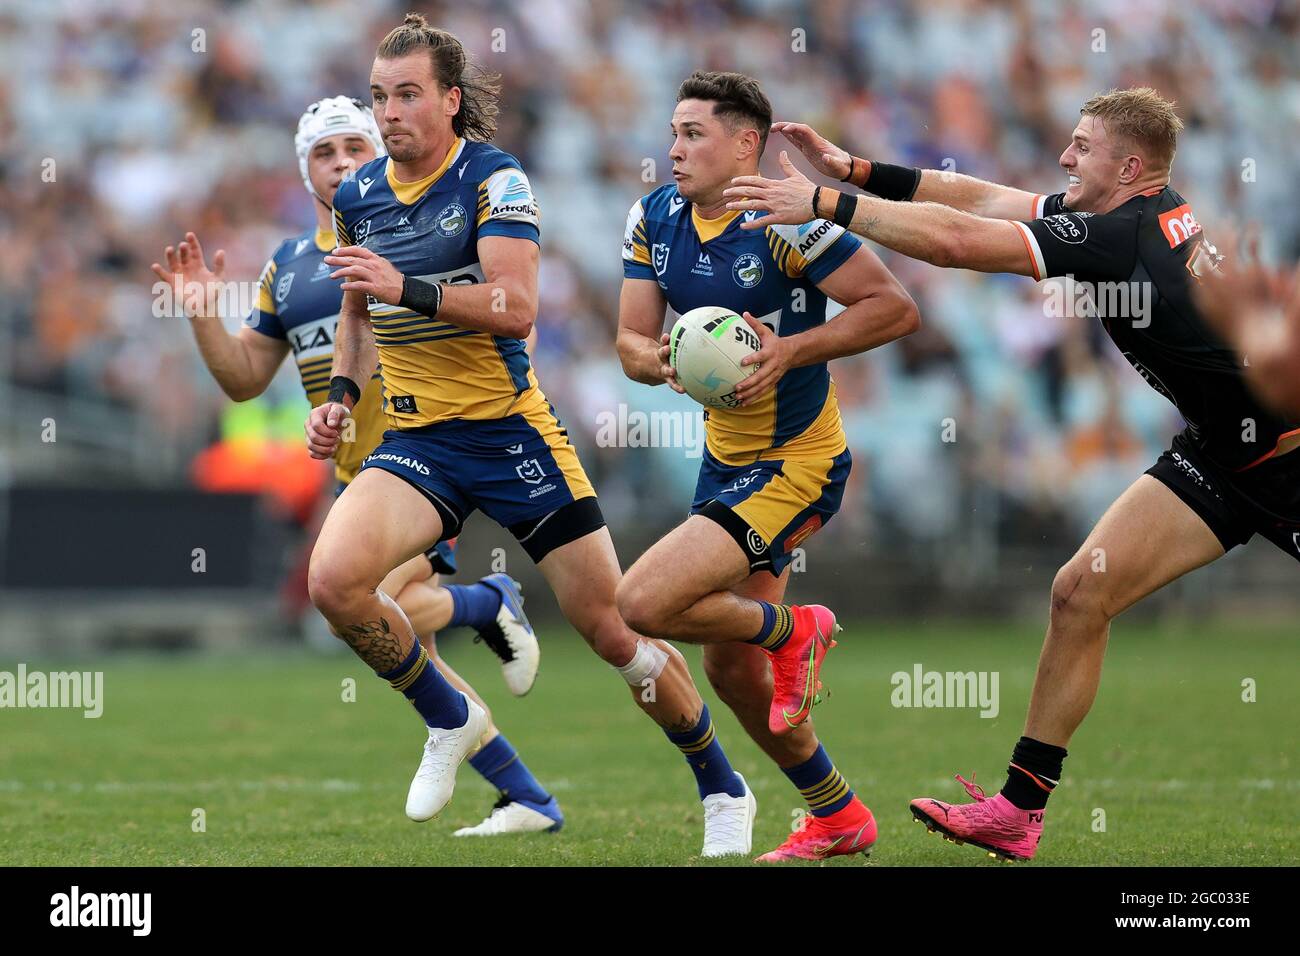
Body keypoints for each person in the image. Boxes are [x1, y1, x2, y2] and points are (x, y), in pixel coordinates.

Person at [724, 87, 1300, 861]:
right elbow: (984, 196)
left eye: (1081, 147)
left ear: (1129, 165)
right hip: (1223, 457)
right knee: (1079, 591)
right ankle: (1018, 811)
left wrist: (823, 202)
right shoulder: (1131, 217)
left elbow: (963, 242)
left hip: (1287, 461)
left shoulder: (1121, 238)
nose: (1065, 157)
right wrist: (858, 168)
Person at [305, 15, 753, 857]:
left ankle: (721, 785)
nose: (388, 113)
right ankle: (451, 719)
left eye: (406, 95)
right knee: (334, 583)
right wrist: (339, 394)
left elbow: (516, 307)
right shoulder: (358, 197)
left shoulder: (494, 176)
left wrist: (404, 282)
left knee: (615, 632)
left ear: (449, 100)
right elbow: (357, 311)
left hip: (512, 436)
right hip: (419, 445)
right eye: (378, 97)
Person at [154, 95, 561, 837]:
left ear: (379, 149)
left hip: (423, 460)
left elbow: (501, 310)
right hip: (356, 479)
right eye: (324, 152)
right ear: (302, 170)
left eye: (353, 146)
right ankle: (529, 796)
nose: (341, 162)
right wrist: (202, 313)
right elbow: (245, 379)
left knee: (371, 608)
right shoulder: (288, 266)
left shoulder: (413, 237)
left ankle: (491, 602)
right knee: (409, 655)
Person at [615, 71, 918, 861]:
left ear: (747, 144)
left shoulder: (787, 219)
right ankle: (838, 816)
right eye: (673, 133)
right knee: (732, 670)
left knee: (641, 601)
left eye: (693, 135)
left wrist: (792, 350)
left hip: (798, 462)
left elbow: (893, 306)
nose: (674, 149)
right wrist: (665, 364)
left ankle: (797, 629)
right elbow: (629, 343)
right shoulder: (653, 216)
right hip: (726, 463)